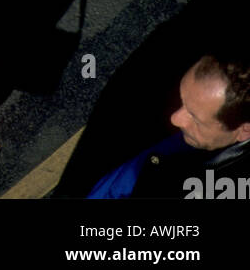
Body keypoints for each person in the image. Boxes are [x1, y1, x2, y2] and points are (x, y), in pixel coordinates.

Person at [87, 54, 250, 199]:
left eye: (194, 117)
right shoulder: (199, 136)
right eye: (182, 100)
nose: (175, 119)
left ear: (244, 130)